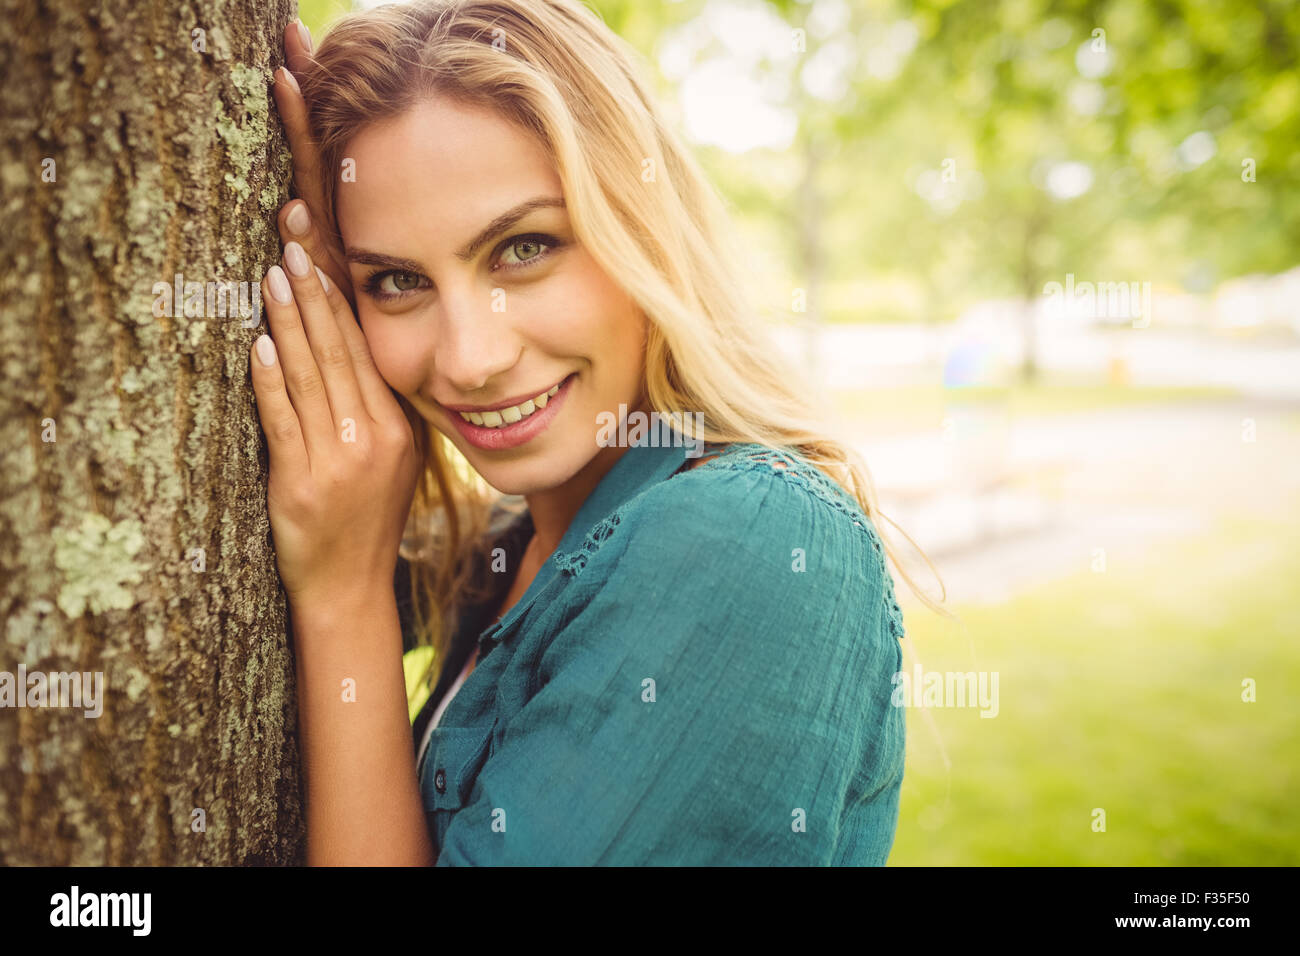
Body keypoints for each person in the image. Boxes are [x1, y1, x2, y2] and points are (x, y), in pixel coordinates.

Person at [251, 0, 941, 866]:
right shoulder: (526, 543)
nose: (471, 358)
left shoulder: (750, 543)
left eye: (524, 248)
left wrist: (344, 601)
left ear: (644, 231)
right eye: (396, 279)